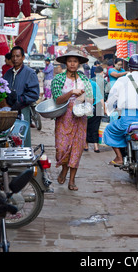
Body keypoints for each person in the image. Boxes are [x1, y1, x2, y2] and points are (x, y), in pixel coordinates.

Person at [51, 50, 93, 191]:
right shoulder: (58, 79)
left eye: (75, 61)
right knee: (62, 148)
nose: (73, 64)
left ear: (79, 63)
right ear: (66, 63)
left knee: (77, 148)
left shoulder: (85, 80)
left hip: (80, 117)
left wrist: (84, 99)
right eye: (70, 61)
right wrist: (71, 93)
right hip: (64, 117)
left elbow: (90, 99)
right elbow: (56, 99)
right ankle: (64, 170)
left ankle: (72, 180)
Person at [2, 46, 40, 147]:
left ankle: (24, 159)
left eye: (18, 56)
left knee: (22, 137)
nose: (15, 59)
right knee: (8, 138)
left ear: (23, 57)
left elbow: (34, 94)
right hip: (8, 110)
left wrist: (18, 101)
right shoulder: (8, 73)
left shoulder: (30, 73)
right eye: (13, 56)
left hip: (23, 110)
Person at [85, 76, 105, 153]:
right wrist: (104, 109)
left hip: (86, 106)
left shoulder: (80, 84)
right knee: (96, 127)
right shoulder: (93, 83)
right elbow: (100, 96)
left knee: (85, 126)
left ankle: (86, 146)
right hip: (98, 105)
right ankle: (96, 146)